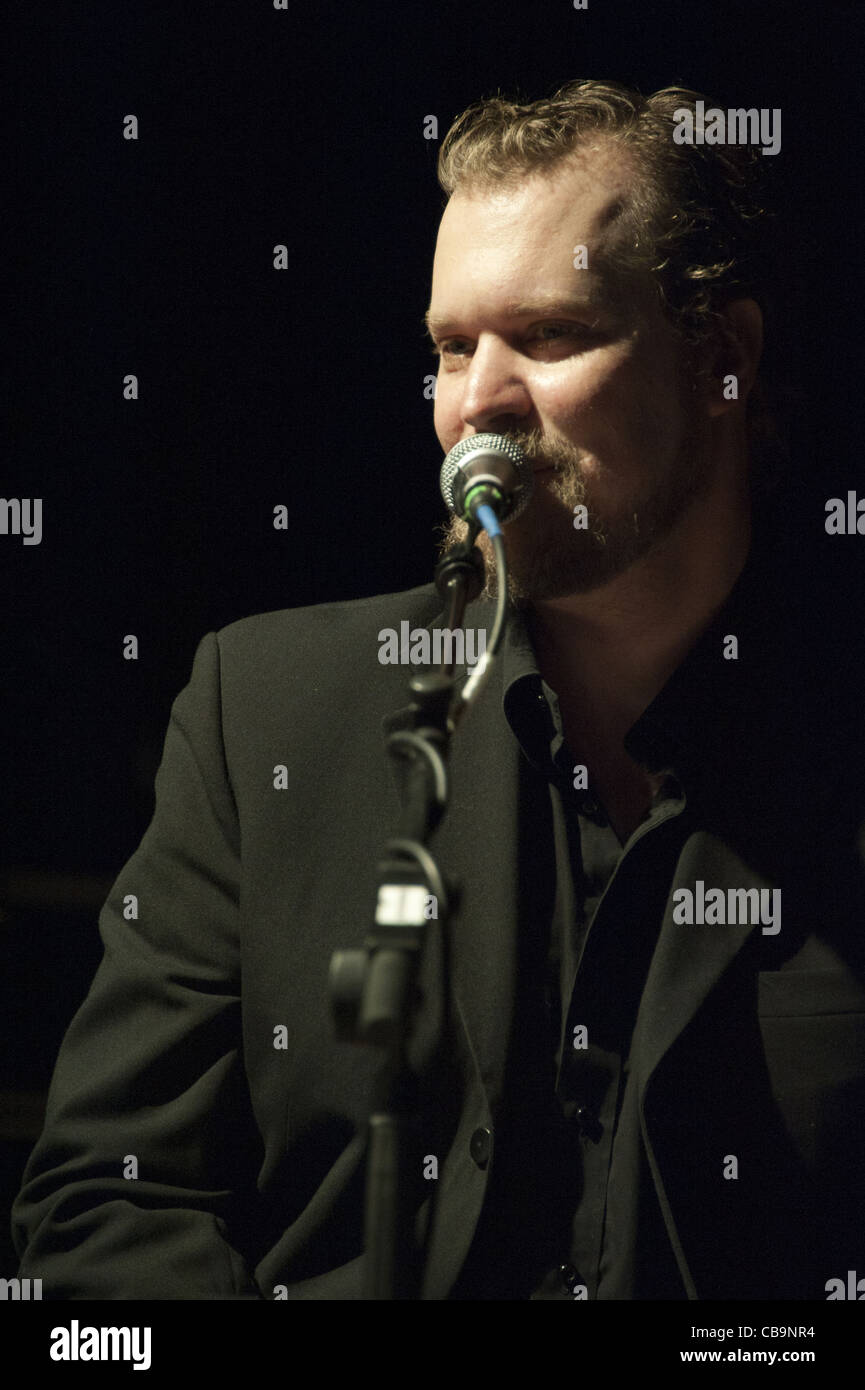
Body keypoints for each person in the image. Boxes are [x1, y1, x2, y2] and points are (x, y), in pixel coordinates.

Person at [12, 80, 865, 1301]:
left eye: (552, 336)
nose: (476, 407)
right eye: (452, 347)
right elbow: (111, 1197)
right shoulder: (264, 709)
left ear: (721, 359)